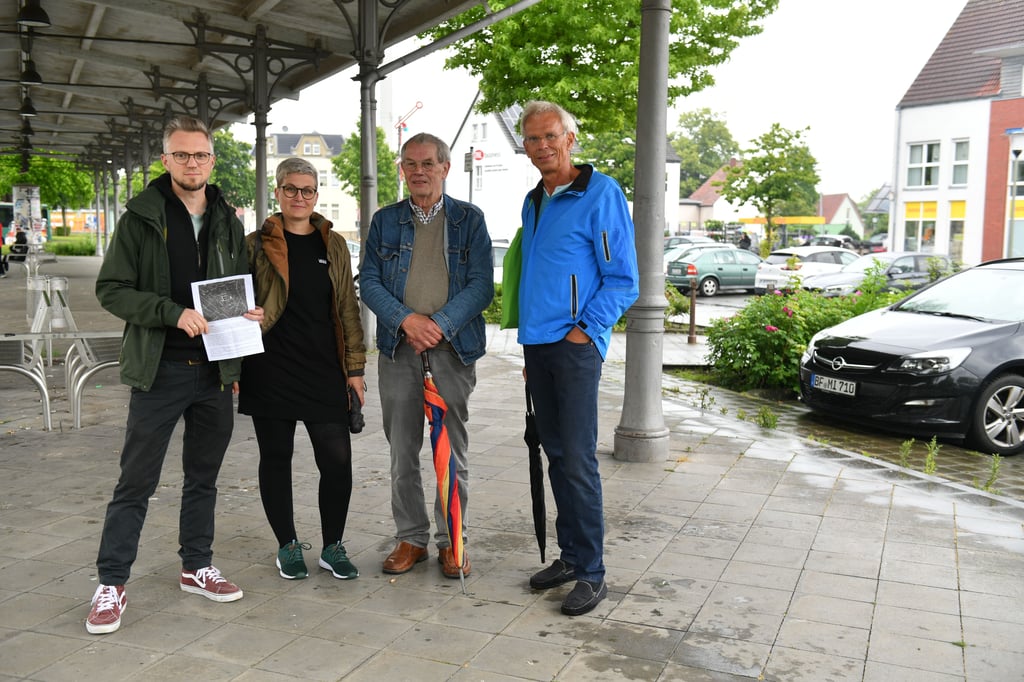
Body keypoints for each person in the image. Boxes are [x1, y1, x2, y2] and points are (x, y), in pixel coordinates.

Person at [86, 116, 264, 635]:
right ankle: (111, 584)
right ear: (164, 160)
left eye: (201, 155)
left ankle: (196, 566)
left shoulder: (228, 219)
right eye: (182, 155)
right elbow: (111, 289)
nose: (192, 164)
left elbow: (236, 283)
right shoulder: (140, 217)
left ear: (212, 160)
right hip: (159, 370)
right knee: (135, 483)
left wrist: (246, 313)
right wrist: (171, 312)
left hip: (214, 372)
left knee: (203, 479)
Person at [516, 101, 639, 616]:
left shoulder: (601, 193)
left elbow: (623, 279)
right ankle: (569, 557)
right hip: (538, 346)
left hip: (574, 348)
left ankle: (591, 572)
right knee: (555, 454)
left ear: (570, 138)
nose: (541, 146)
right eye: (531, 139)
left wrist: (582, 333)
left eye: (550, 136)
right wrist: (531, 343)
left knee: (579, 459)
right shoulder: (533, 200)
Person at [360, 132, 493, 580]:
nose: (419, 171)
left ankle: (452, 542)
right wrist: (407, 321)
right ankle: (411, 539)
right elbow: (370, 282)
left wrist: (438, 324)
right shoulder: (385, 221)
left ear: (445, 168)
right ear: (402, 169)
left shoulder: (469, 220)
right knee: (402, 450)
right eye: (410, 164)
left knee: (451, 449)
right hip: (400, 349)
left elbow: (481, 285)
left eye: (428, 164)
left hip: (452, 350)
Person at [239, 157, 366, 581]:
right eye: (290, 189)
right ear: (277, 193)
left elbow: (348, 307)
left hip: (323, 368)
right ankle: (287, 545)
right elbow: (231, 302)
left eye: (307, 190)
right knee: (276, 457)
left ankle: (333, 545)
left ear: (316, 195)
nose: (299, 197)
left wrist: (355, 369)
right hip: (268, 366)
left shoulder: (333, 245)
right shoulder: (255, 244)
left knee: (337, 459)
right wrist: (235, 360)